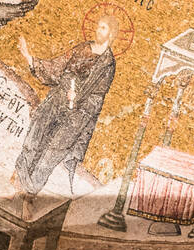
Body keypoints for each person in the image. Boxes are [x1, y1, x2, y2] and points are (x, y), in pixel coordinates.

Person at [11, 15, 119, 218]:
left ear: (111, 34)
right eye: (97, 26)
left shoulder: (107, 64)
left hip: (77, 114)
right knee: (36, 138)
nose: (98, 30)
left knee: (52, 152)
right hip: (57, 99)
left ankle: (30, 196)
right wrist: (30, 58)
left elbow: (98, 97)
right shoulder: (83, 48)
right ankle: (18, 182)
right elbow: (59, 66)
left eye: (103, 28)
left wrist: (77, 97)